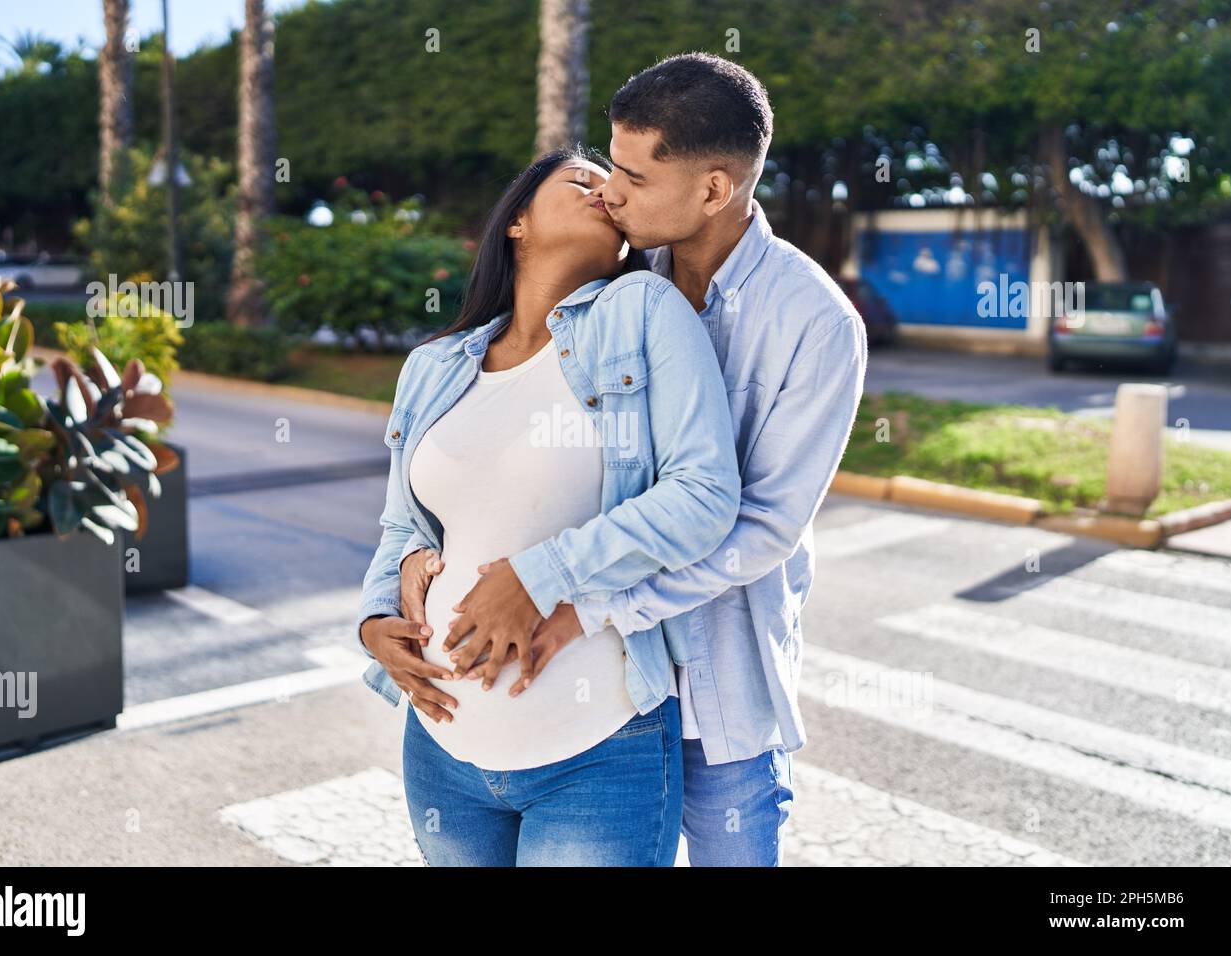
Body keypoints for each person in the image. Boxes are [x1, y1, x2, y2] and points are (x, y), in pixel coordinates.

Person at [405, 53, 868, 867]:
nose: (610, 192)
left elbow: (762, 527)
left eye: (632, 177)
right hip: (596, 693)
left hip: (717, 680)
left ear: (715, 190)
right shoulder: (617, 284)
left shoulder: (815, 321)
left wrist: (578, 605)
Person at [355, 144, 741, 866]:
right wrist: (375, 621)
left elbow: (703, 497)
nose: (608, 192)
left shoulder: (641, 311)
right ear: (517, 225)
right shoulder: (435, 366)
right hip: (442, 747)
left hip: (597, 750)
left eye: (620, 187)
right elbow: (402, 524)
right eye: (583, 180)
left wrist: (539, 574)